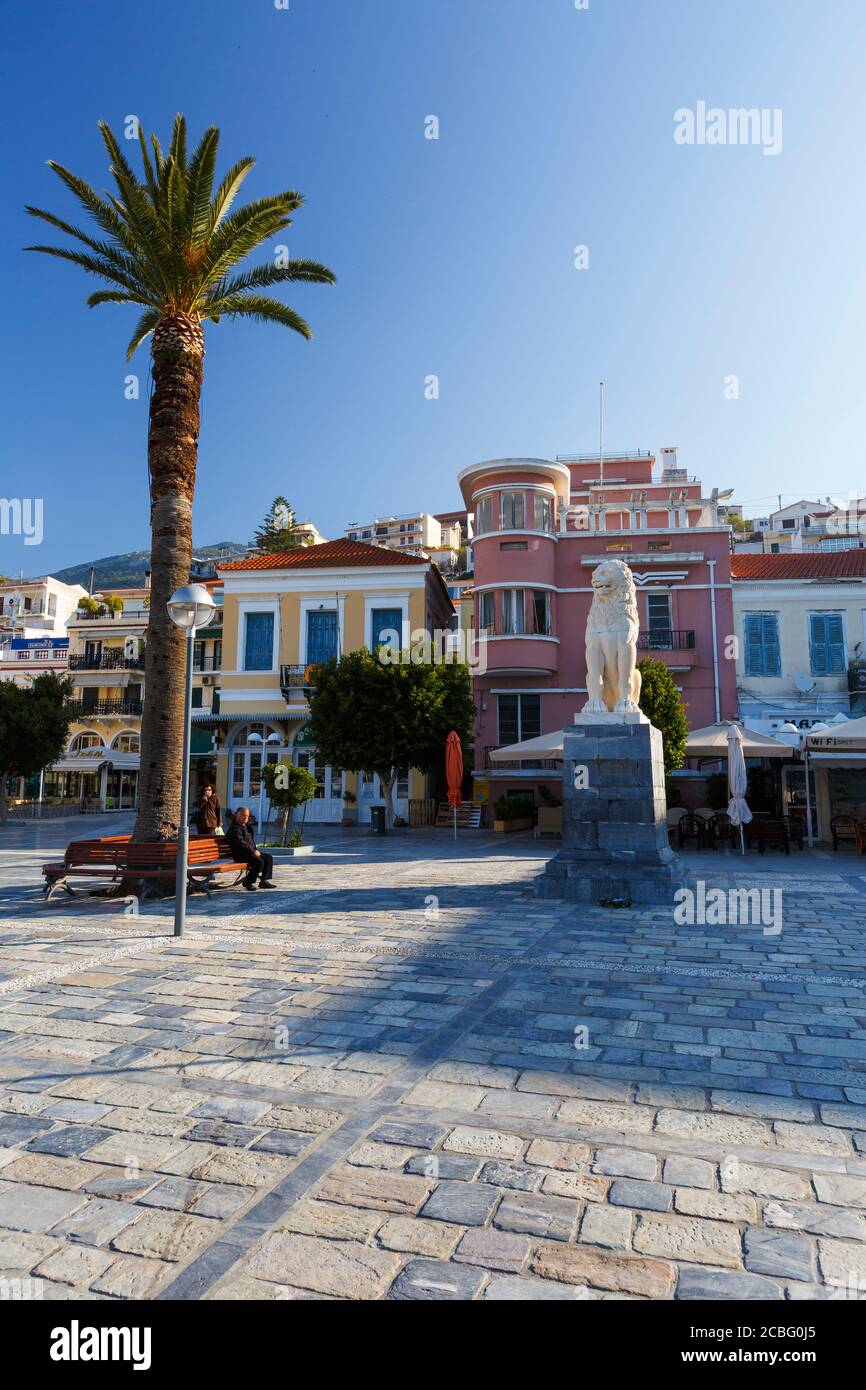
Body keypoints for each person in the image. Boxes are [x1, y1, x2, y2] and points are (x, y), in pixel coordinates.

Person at [226, 805, 275, 890]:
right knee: (259, 861)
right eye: (243, 815)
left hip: (249, 852)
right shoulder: (234, 828)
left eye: (247, 816)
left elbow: (250, 841)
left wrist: (255, 850)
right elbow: (240, 844)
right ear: (237, 815)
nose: (245, 817)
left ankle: (263, 881)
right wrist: (253, 851)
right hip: (240, 855)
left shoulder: (246, 827)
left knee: (268, 858)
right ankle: (248, 882)